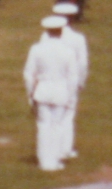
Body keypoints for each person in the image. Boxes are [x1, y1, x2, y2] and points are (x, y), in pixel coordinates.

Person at [23, 16, 79, 172]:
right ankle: (53, 160)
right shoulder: (68, 51)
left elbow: (29, 74)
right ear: (61, 31)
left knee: (43, 125)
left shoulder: (37, 49)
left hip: (42, 89)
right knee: (56, 125)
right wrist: (71, 95)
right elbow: (72, 76)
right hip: (60, 90)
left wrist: (30, 94)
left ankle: (44, 161)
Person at [51, 3, 87, 161]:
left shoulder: (45, 37)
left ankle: (52, 146)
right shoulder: (77, 38)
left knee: (51, 117)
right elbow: (83, 63)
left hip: (50, 79)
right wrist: (81, 81)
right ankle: (65, 148)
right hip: (68, 81)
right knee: (67, 115)